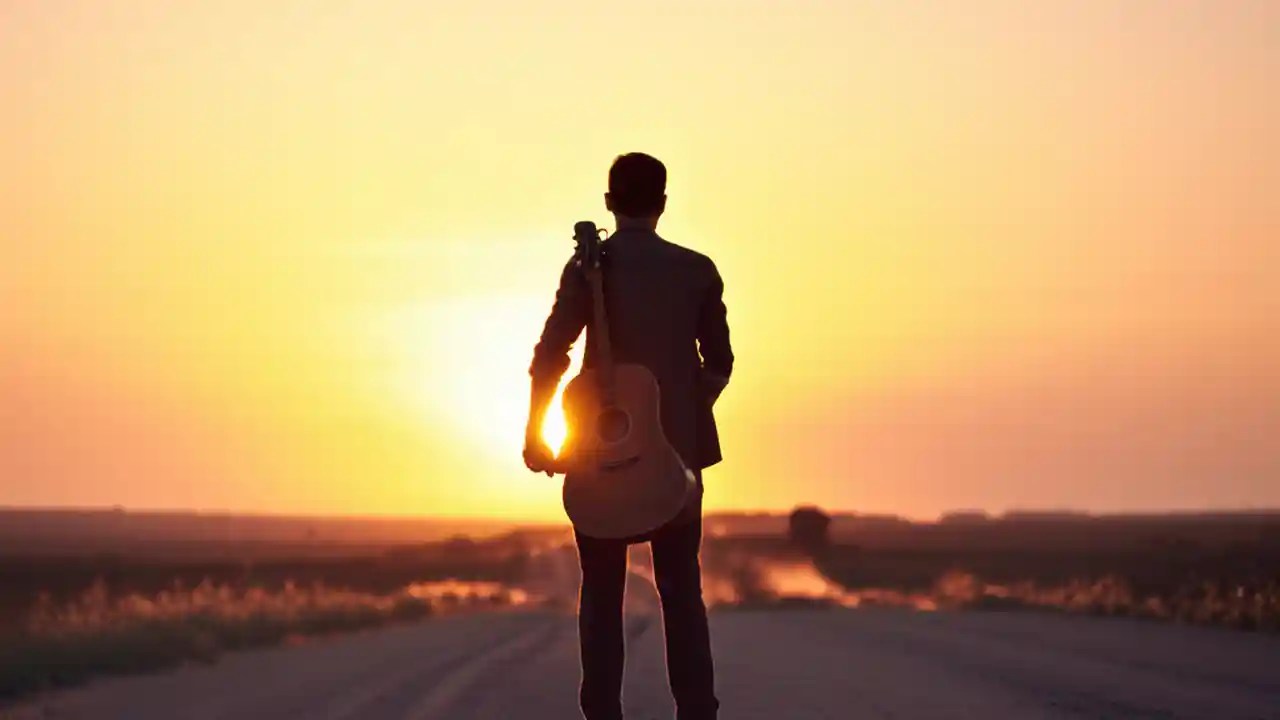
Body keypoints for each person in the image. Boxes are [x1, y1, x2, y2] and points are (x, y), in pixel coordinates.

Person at [524, 152, 733, 720]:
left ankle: (602, 714)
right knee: (681, 593)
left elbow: (550, 357)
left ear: (610, 202)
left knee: (601, 595)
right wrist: (682, 415)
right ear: (663, 204)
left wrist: (535, 434)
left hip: (599, 455)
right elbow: (720, 363)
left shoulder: (588, 269)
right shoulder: (697, 269)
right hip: (677, 465)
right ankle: (697, 712)